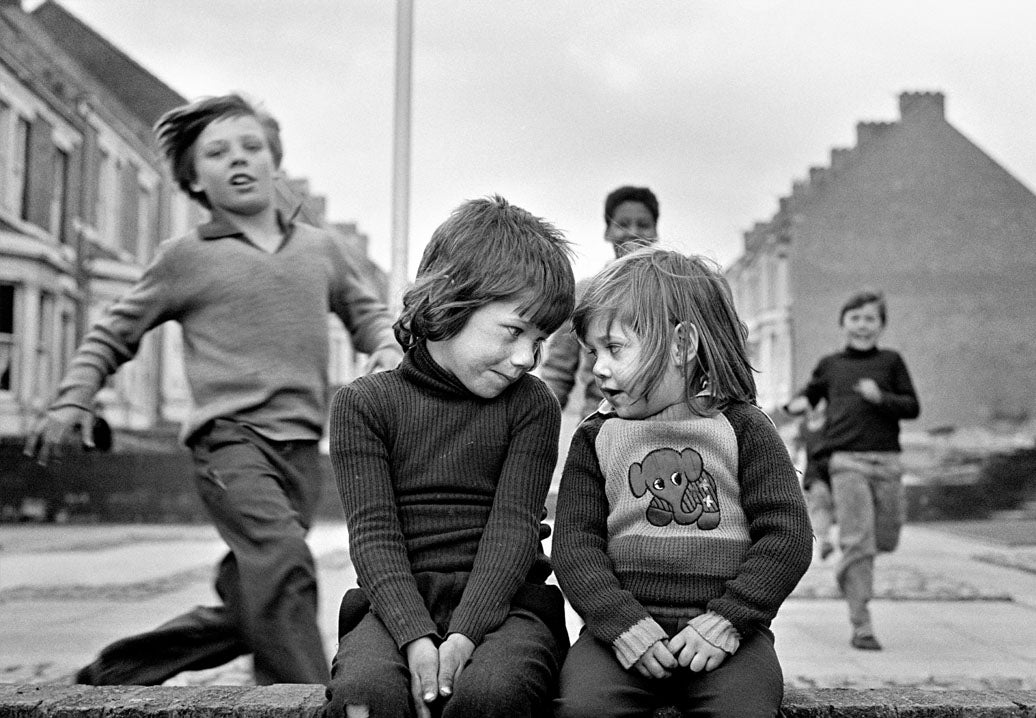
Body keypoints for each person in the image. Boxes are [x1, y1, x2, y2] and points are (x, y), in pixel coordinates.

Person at [24, 93, 401, 685]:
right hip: (230, 443)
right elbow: (113, 330)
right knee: (283, 563)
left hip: (300, 449)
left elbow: (370, 314)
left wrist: (385, 345)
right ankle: (301, 698)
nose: (239, 160)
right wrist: (75, 395)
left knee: (255, 603)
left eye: (252, 147)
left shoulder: (320, 249)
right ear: (193, 178)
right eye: (217, 153)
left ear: (275, 161)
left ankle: (110, 677)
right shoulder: (185, 258)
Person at [321, 196, 575, 718]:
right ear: (449, 303)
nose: (527, 358)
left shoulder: (532, 405)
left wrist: (462, 636)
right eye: (513, 331)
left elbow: (513, 531)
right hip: (395, 607)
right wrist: (416, 637)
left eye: (540, 340)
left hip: (509, 609)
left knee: (490, 696)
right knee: (365, 699)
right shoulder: (363, 405)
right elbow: (373, 537)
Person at [552, 248, 813, 718]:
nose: (598, 367)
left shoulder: (743, 428)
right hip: (619, 639)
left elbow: (787, 535)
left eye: (615, 348)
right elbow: (575, 543)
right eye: (594, 352)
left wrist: (729, 620)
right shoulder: (597, 437)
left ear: (681, 345)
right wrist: (620, 623)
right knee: (580, 710)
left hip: (727, 639)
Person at [784, 289, 919, 651]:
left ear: (881, 325)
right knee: (860, 541)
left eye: (870, 318)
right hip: (845, 461)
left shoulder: (891, 362)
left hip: (888, 461)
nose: (862, 325)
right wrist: (794, 405)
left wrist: (882, 398)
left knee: (885, 538)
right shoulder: (831, 365)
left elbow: (912, 407)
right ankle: (862, 624)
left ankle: (847, 568)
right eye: (855, 318)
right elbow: (809, 394)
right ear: (843, 323)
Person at [538, 185, 659, 417]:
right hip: (598, 423)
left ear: (655, 233)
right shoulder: (585, 292)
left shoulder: (675, 290)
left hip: (663, 428)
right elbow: (558, 371)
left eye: (643, 225)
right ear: (608, 232)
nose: (633, 232)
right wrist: (539, 423)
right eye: (622, 224)